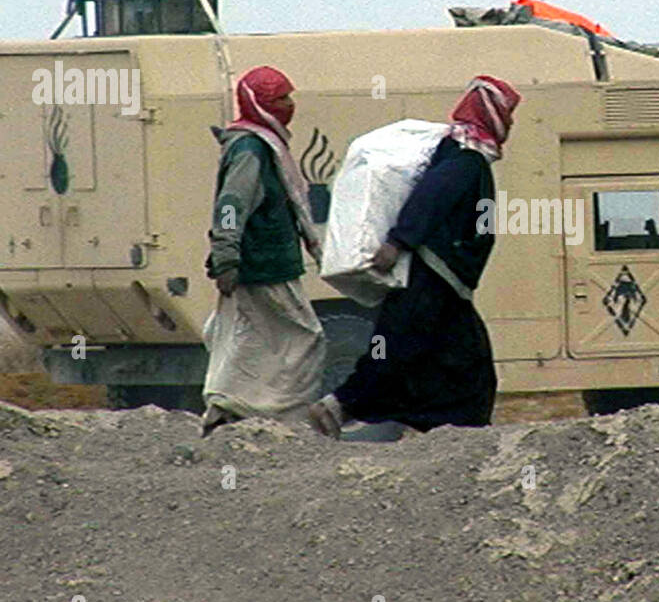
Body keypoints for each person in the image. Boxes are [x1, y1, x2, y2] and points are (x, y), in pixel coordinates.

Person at [309, 75, 521, 438]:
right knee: (400, 348)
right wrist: (399, 241)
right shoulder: (467, 161)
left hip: (444, 282)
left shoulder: (463, 154)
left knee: (447, 357)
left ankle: (453, 431)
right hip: (432, 278)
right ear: (490, 114)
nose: (511, 123)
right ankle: (340, 406)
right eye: (508, 113)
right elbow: (432, 197)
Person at [201, 66, 326, 435]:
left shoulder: (264, 145)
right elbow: (230, 204)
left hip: (263, 264)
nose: (290, 105)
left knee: (249, 340)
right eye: (281, 99)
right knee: (304, 338)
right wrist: (226, 255)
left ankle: (234, 412)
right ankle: (277, 416)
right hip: (261, 265)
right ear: (260, 104)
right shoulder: (251, 149)